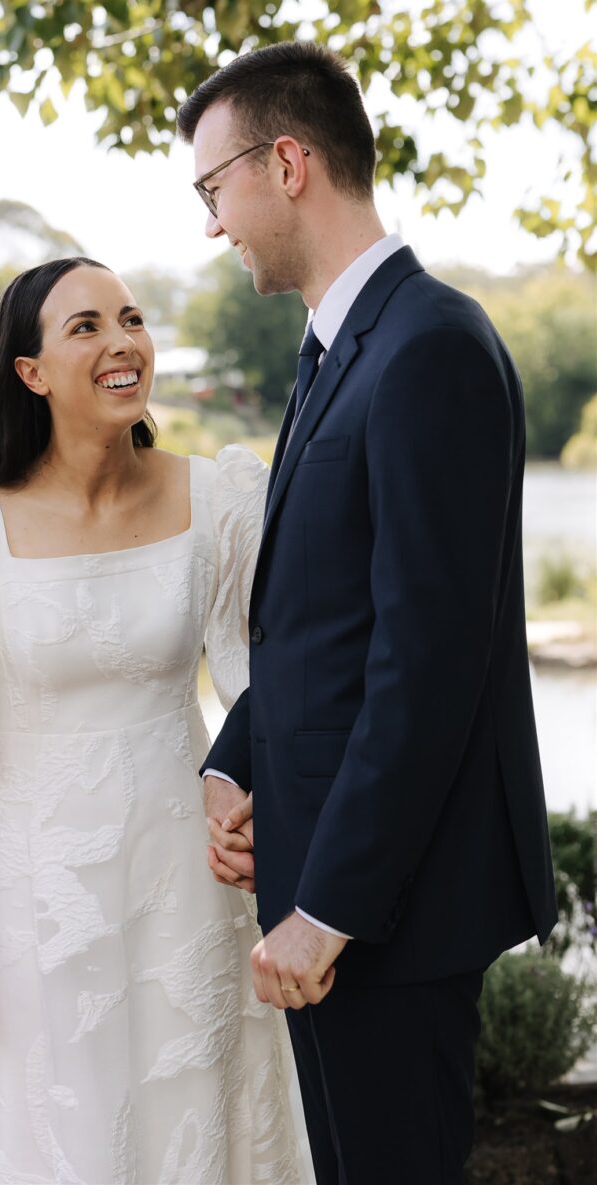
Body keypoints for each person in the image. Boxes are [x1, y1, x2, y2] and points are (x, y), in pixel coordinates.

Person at [177, 42, 558, 1185]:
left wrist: (329, 909)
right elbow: (313, 616)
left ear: (287, 162)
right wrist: (233, 764)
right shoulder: (337, 348)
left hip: (390, 907)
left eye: (212, 187)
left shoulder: (428, 346)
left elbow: (427, 659)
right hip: (333, 881)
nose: (210, 224)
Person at [0, 257, 303, 1184]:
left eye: (130, 318)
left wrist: (248, 802)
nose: (122, 341)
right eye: (85, 326)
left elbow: (273, 692)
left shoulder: (220, 498)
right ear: (31, 372)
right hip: (29, 902)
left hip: (189, 890)